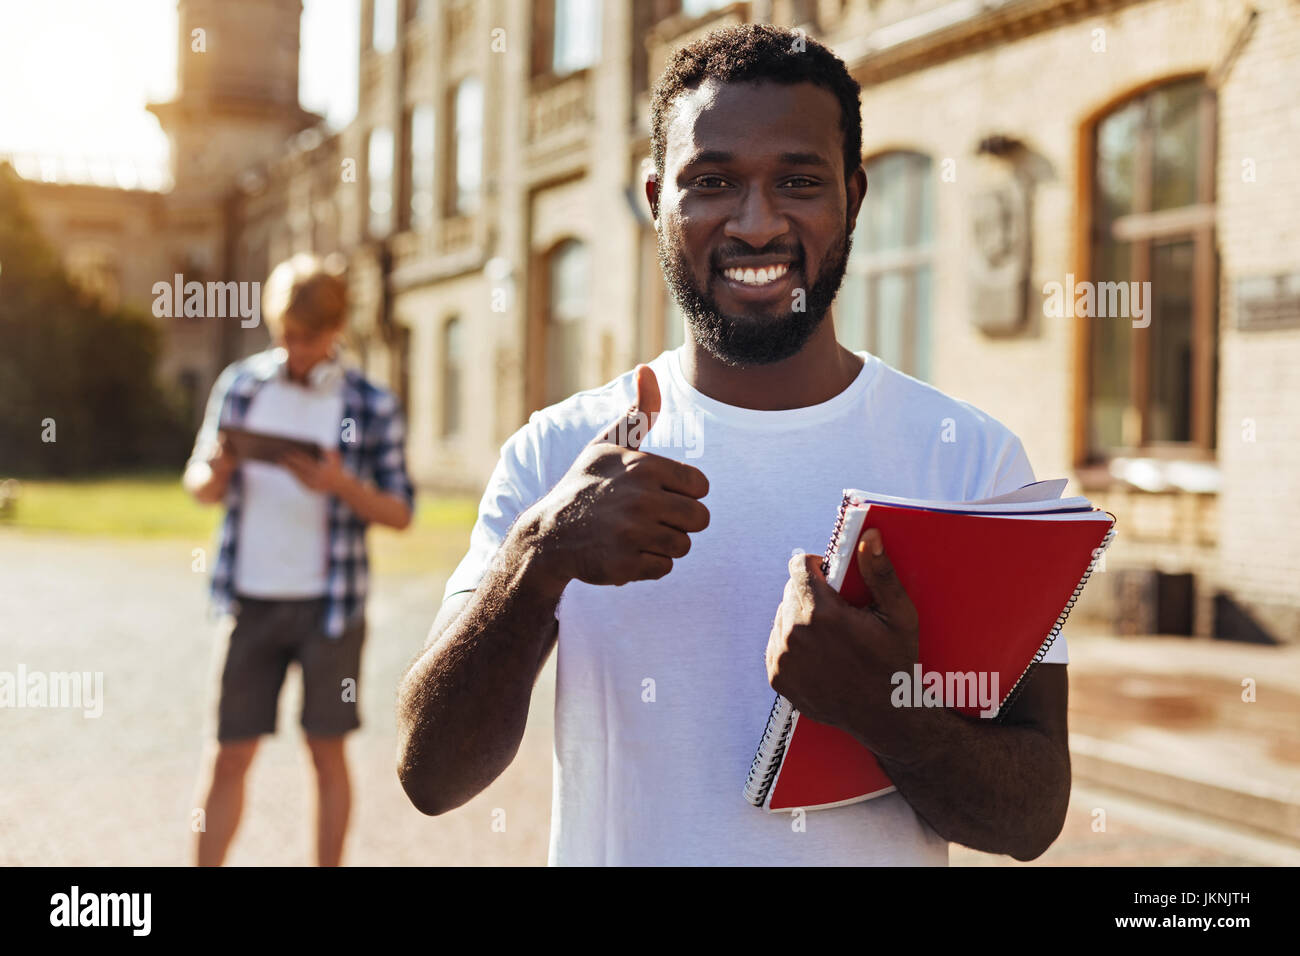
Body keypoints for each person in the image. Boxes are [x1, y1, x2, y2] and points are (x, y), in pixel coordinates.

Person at [397, 24, 1070, 865]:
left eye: (799, 181)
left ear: (854, 198)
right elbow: (430, 776)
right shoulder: (561, 452)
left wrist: (883, 709)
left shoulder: (967, 462)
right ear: (655, 202)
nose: (756, 225)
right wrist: (539, 557)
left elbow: (1033, 817)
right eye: (712, 182)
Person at [184, 252, 414, 866]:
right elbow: (198, 484)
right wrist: (217, 470)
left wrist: (340, 485)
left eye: (308, 339)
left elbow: (400, 512)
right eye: (284, 335)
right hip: (248, 602)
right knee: (229, 753)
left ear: (337, 331)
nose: (294, 350)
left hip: (329, 610)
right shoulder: (241, 385)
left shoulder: (369, 404)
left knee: (326, 752)